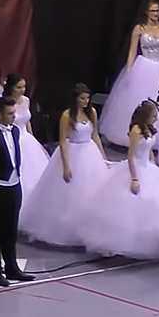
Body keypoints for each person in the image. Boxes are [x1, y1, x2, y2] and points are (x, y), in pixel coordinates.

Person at [79, 101, 159, 259]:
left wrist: (154, 164)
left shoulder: (150, 129)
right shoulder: (136, 130)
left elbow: (149, 151)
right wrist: (134, 178)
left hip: (148, 167)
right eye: (153, 116)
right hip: (136, 168)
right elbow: (131, 156)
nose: (156, 119)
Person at [19, 84, 110, 247]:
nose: (86, 101)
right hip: (74, 152)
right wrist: (66, 165)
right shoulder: (67, 116)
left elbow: (95, 135)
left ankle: (88, 227)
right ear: (75, 98)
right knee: (71, 193)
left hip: (89, 152)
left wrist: (103, 157)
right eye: (82, 98)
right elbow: (62, 140)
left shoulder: (92, 113)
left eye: (87, 98)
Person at [99, 0, 159, 146]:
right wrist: (129, 70)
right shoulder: (139, 29)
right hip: (144, 65)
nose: (155, 14)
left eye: (157, 11)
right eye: (152, 11)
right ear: (147, 12)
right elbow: (132, 51)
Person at [0, 97, 35, 286]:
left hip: (14, 186)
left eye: (15, 113)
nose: (14, 117)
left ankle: (12, 267)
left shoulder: (14, 131)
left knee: (11, 230)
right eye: (10, 114)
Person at [3, 73, 50, 199]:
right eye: (18, 87)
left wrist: (32, 135)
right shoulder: (5, 103)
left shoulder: (26, 100)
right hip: (12, 137)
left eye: (23, 87)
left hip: (26, 137)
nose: (22, 90)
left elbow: (27, 120)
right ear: (11, 87)